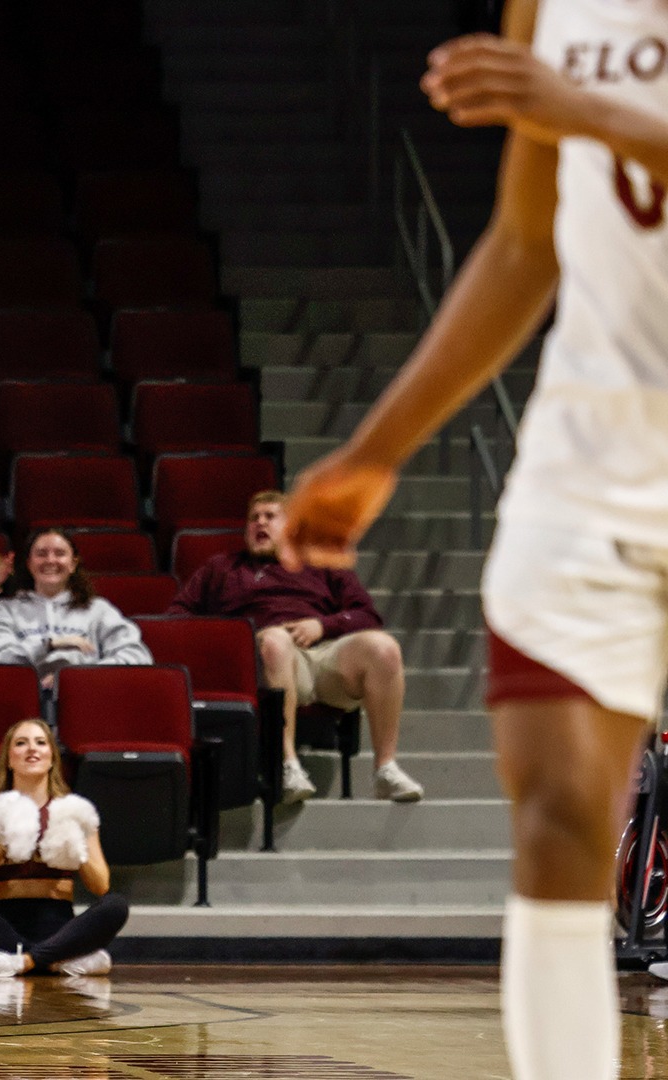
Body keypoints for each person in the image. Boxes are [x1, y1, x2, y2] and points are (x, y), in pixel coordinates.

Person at [276, 5, 668, 1075]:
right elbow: (527, 243)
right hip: (586, 461)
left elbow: (581, 119)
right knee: (555, 813)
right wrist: (376, 450)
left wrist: (587, 108)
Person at [169, 491, 423, 805]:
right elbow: (177, 618)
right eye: (254, 518)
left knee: (384, 648)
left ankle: (385, 768)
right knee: (275, 640)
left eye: (270, 516)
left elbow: (367, 614)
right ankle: (287, 765)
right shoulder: (223, 568)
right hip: (267, 658)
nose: (260, 523)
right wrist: (230, 643)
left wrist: (322, 626)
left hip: (323, 656)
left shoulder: (321, 562)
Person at [0, 719, 127, 978]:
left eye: (41, 743)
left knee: (116, 905)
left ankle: (24, 962)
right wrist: (1, 847)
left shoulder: (75, 809)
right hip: (4, 925)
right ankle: (57, 961)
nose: (32, 749)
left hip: (59, 926)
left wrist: (77, 848)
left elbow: (100, 886)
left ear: (52, 756)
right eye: (21, 743)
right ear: (8, 759)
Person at [0, 527, 152, 695]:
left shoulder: (98, 609)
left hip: (89, 696)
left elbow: (137, 657)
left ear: (73, 563)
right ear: (29, 563)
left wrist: (78, 678)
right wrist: (50, 645)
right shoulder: (5, 610)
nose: (50, 560)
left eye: (60, 553)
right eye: (41, 554)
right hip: (23, 698)